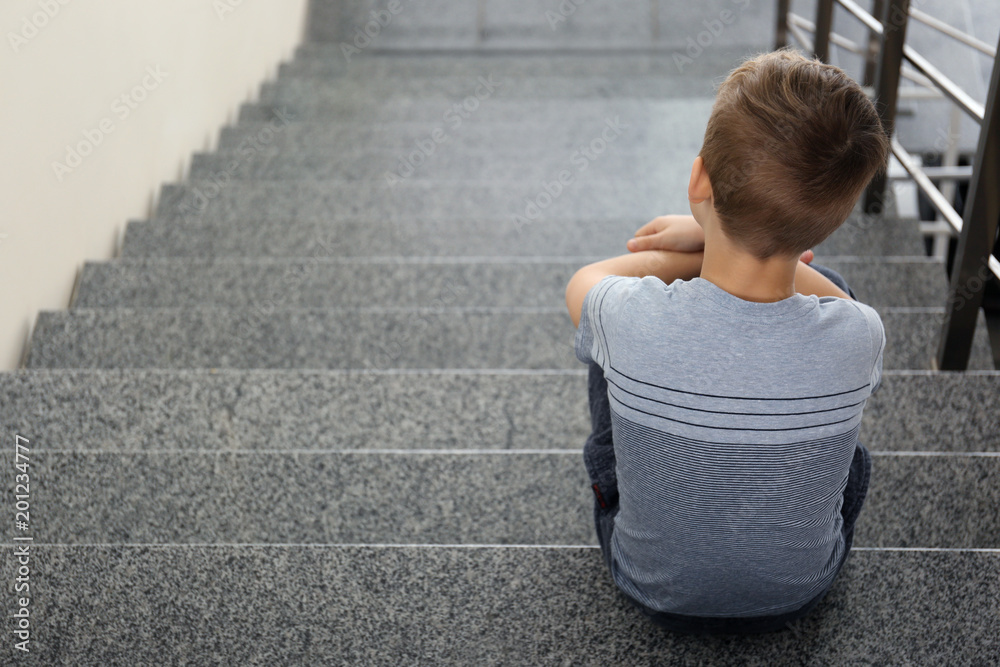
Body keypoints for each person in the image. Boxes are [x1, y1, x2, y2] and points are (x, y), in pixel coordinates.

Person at [564, 49, 889, 635]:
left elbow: (586, 281)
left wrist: (691, 250)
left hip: (651, 586)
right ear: (827, 222)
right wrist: (726, 239)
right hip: (799, 593)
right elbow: (838, 300)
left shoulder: (628, 315)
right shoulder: (862, 332)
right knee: (836, 293)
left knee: (603, 338)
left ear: (699, 181)